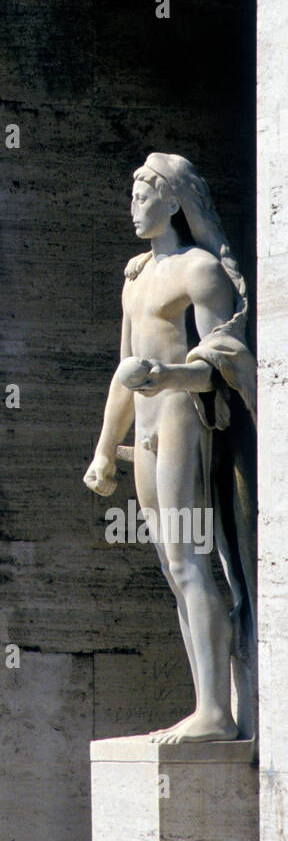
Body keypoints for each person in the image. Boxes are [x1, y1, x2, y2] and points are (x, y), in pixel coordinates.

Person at [84, 155, 256, 742]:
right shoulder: (135, 275)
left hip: (185, 416)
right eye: (132, 194)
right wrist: (106, 448)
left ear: (174, 201)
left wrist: (167, 375)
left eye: (143, 194)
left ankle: (215, 711)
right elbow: (121, 370)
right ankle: (206, 700)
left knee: (188, 560)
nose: (133, 205)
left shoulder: (199, 270)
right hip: (147, 425)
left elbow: (224, 362)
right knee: (170, 566)